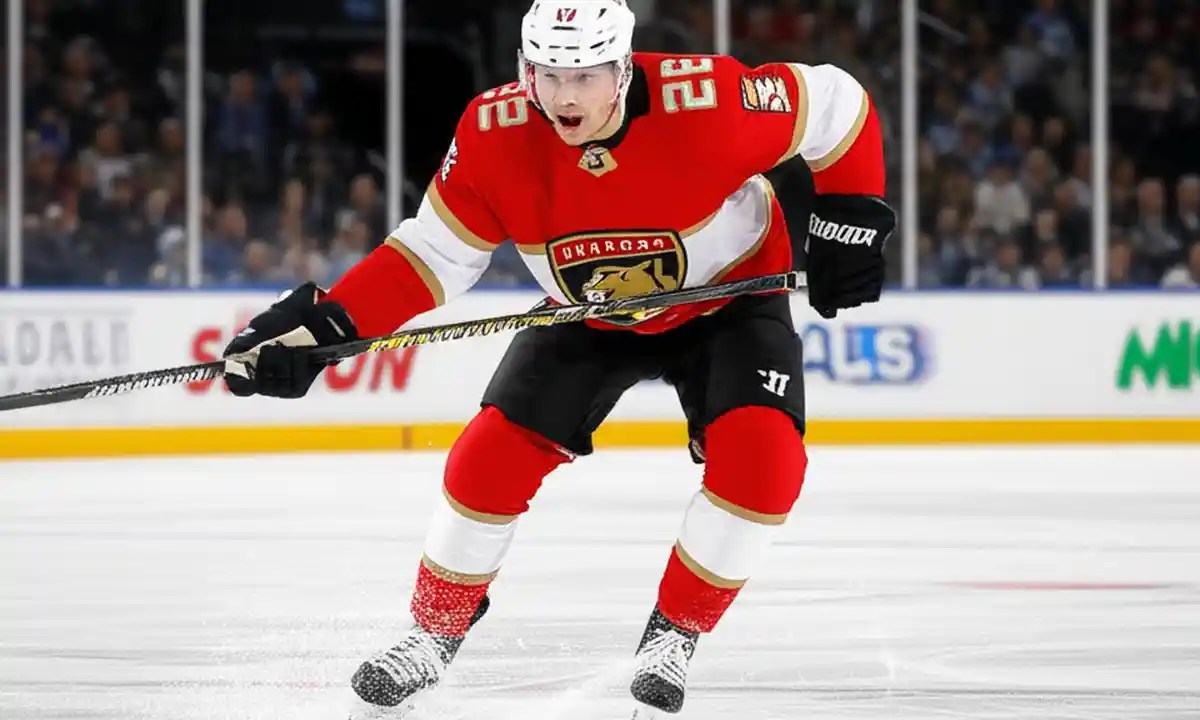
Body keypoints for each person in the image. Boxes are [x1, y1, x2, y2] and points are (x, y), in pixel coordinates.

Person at [219, 1, 894, 716]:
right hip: (590, 312)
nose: (565, 96)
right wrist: (329, 322)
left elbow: (837, 104)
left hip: (729, 305)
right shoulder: (492, 132)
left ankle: (674, 636)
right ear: (525, 70)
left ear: (623, 69)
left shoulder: (710, 101)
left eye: (587, 75)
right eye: (548, 74)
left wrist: (851, 216)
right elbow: (434, 256)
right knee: (487, 459)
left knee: (764, 464)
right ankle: (432, 633)